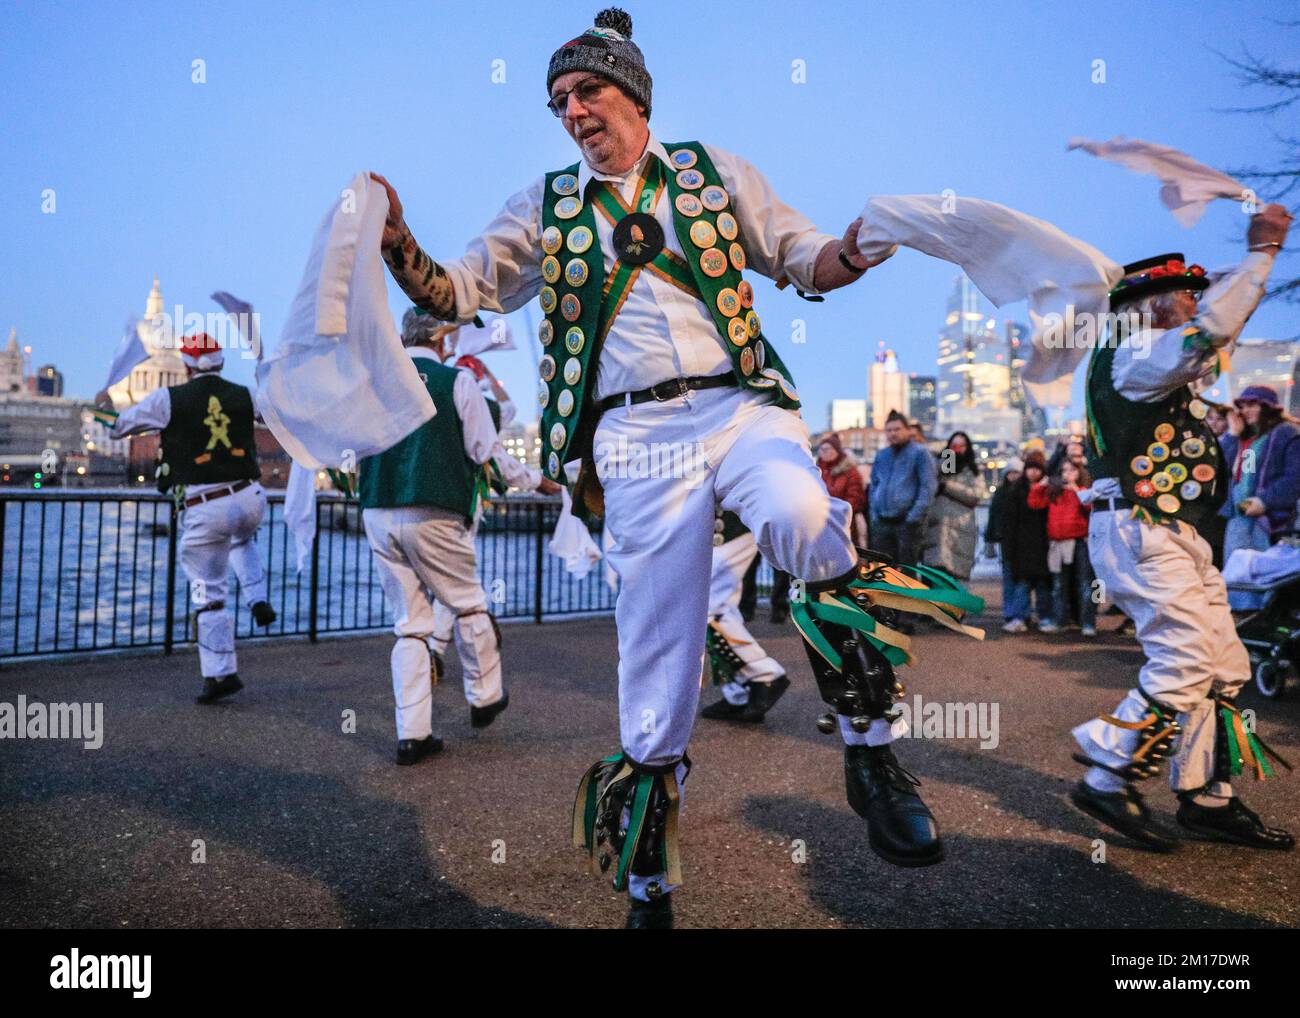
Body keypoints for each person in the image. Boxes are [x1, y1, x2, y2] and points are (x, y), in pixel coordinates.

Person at [368, 7, 983, 927]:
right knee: (655, 656)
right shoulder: (544, 205)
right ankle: (649, 882)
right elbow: (455, 292)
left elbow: (802, 257)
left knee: (805, 515)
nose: (573, 111)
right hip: (631, 440)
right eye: (558, 100)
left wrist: (856, 247)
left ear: (635, 95)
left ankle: (870, 748)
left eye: (588, 91)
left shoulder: (712, 171)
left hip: (739, 403)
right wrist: (393, 242)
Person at [1071, 207, 1296, 853]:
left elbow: (1215, 323)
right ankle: (1108, 773)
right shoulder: (1137, 354)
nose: (1195, 307)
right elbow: (1215, 327)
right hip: (1142, 531)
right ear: (1152, 304)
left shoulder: (1150, 356)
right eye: (1185, 298)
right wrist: (1264, 253)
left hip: (1175, 532)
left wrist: (1244, 269)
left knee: (1224, 666)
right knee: (1186, 658)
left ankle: (1206, 798)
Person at [358, 313, 560, 767]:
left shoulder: (374, 381)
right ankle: (485, 696)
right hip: (435, 508)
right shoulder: (458, 382)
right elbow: (484, 453)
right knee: (468, 602)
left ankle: (413, 735)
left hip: (378, 510)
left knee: (410, 624)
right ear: (443, 340)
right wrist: (535, 482)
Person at [95, 332, 273, 704]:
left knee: (208, 594)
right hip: (251, 498)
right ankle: (257, 597)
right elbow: (278, 415)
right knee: (242, 538)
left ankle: (220, 674)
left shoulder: (167, 399)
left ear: (187, 365)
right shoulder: (245, 395)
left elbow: (118, 426)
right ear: (221, 363)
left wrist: (101, 406)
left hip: (206, 504)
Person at [699, 512, 789, 723]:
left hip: (731, 524)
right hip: (724, 525)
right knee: (719, 606)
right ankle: (737, 692)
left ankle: (764, 674)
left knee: (708, 608)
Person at [1218, 385, 1300, 609]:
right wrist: (1233, 435)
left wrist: (1264, 500)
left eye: (1252, 404)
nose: (1245, 410)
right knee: (1241, 577)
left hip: (1268, 521)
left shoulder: (1286, 433)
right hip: (1241, 518)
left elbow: (1294, 477)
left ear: (1268, 407)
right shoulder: (1251, 439)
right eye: (1242, 406)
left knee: (1259, 577)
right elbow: (1232, 469)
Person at [1029, 458, 1095, 636]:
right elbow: (1035, 503)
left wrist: (1077, 490)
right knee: (1059, 585)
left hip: (1080, 541)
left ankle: (1088, 623)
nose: (1068, 474)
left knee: (1085, 584)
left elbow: (1091, 507)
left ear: (1079, 472)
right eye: (1064, 471)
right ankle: (1060, 621)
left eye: (1072, 470)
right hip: (1057, 542)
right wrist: (1041, 485)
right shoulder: (1054, 492)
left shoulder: (1084, 491)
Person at [869, 409, 938, 566]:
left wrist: (913, 517)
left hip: (907, 523)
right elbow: (874, 485)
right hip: (882, 522)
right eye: (889, 430)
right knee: (884, 573)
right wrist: (874, 514)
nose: (893, 433)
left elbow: (928, 487)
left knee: (907, 573)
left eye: (897, 429)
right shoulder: (881, 455)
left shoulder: (920, 453)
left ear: (907, 430)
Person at [1000, 450, 1054, 632]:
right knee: (1022, 583)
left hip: (1043, 543)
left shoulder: (1049, 491)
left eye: (1037, 469)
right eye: (1030, 468)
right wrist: (1008, 547)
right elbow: (1009, 522)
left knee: (1043, 584)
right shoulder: (1016, 491)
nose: (1034, 472)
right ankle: (1019, 617)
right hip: (1022, 544)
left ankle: (1045, 616)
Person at [922, 430, 984, 581]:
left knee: (955, 580)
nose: (957, 449)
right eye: (954, 445)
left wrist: (948, 486)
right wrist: (943, 457)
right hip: (936, 531)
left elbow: (975, 495)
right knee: (934, 579)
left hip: (960, 531)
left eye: (961, 446)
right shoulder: (942, 465)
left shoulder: (973, 471)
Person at [984, 458, 1022, 626]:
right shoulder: (1000, 493)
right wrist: (990, 538)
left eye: (1017, 473)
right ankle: (1009, 612)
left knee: (1020, 578)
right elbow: (993, 516)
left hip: (1022, 540)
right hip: (1005, 539)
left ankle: (1019, 612)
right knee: (1008, 577)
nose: (1013, 476)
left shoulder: (1024, 491)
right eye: (1011, 472)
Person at [817, 433, 866, 542]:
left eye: (829, 448)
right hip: (819, 525)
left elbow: (855, 499)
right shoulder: (817, 471)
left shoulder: (850, 472)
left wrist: (836, 512)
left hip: (843, 524)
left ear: (837, 450)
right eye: (822, 449)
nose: (825, 452)